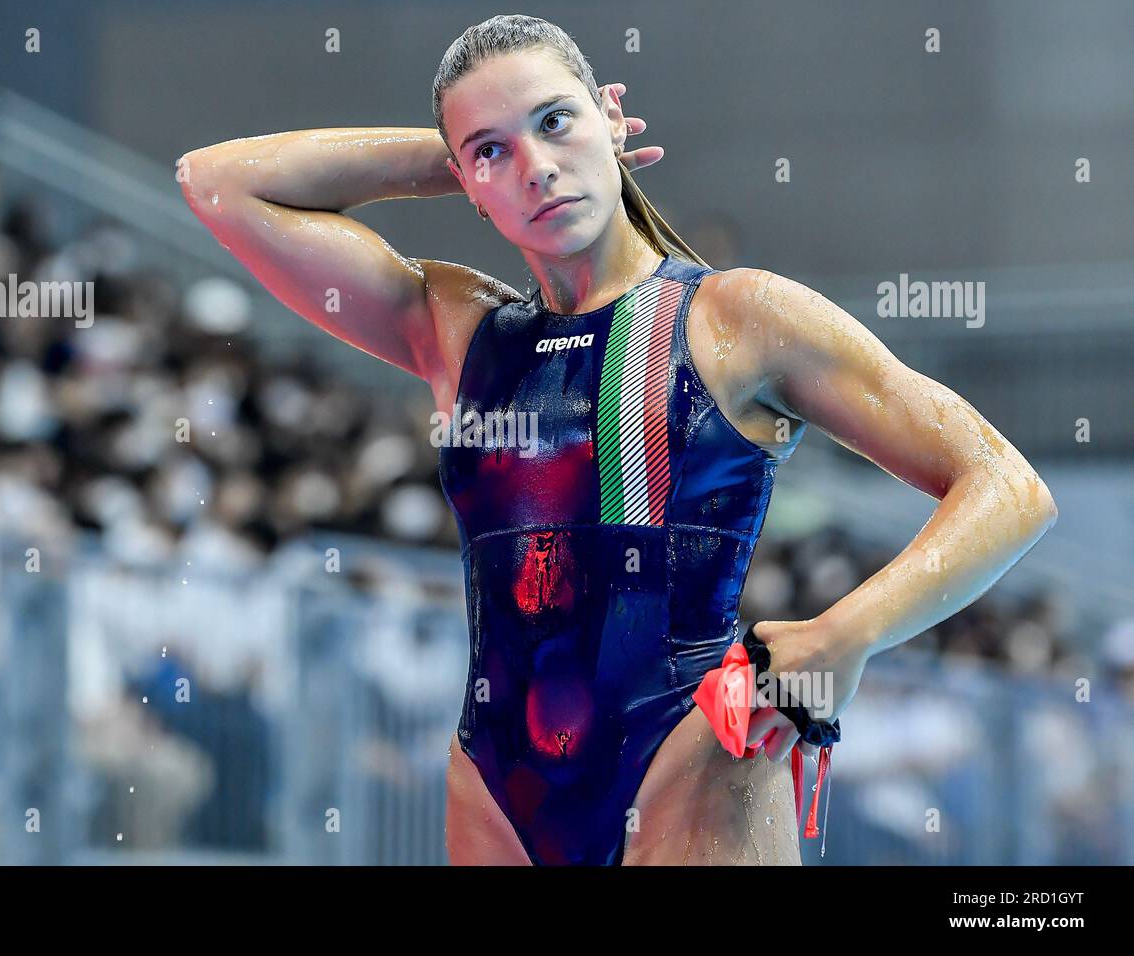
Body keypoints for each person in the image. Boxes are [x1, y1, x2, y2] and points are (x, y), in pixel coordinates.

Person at [178, 14, 1057, 865]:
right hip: (494, 788)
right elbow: (215, 184)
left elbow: (1008, 488)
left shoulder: (739, 316)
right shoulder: (455, 328)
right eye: (492, 152)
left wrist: (847, 633)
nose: (537, 169)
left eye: (555, 122)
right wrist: (455, 158)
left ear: (610, 115)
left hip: (694, 760)